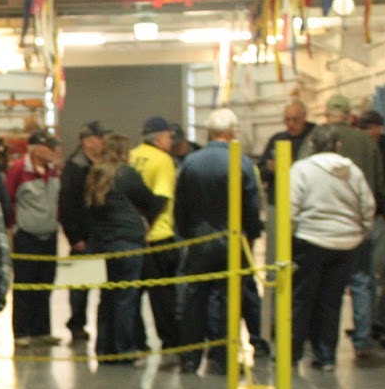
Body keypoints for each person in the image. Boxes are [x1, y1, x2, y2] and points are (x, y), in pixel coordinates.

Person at [171, 109, 263, 375]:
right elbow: (251, 205)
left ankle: (190, 358)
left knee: (194, 298)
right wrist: (252, 233)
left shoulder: (191, 162)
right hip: (232, 240)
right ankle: (222, 356)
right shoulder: (242, 163)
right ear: (233, 132)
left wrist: (187, 233)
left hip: (200, 240)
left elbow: (181, 204)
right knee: (227, 298)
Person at [288, 125, 375, 371]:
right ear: (338, 145)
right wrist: (361, 231)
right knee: (331, 302)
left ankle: (292, 354)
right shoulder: (353, 171)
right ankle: (326, 356)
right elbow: (368, 205)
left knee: (302, 299)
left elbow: (291, 206)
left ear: (313, 145)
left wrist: (291, 235)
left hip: (311, 240)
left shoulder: (302, 170)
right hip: (346, 244)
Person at [80, 134, 165, 364]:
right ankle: (124, 349)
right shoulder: (126, 173)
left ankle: (104, 349)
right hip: (127, 242)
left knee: (105, 297)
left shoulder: (94, 173)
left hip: (100, 243)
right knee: (125, 298)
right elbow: (150, 201)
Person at [320, 95, 385, 358]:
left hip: (323, 227)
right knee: (361, 282)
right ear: (350, 116)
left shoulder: (319, 137)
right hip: (358, 223)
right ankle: (363, 339)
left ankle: (325, 343)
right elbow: (379, 183)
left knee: (328, 287)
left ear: (328, 115)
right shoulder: (366, 142)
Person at [5, 131, 62, 347]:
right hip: (27, 237)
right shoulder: (19, 169)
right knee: (25, 285)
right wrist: (14, 227)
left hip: (49, 236)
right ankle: (22, 332)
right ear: (35, 148)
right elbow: (8, 198)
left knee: (45, 283)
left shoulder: (53, 171)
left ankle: (42, 330)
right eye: (47, 147)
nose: (52, 151)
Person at [129, 117, 180, 353]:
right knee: (163, 296)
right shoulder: (163, 160)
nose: (171, 141)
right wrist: (147, 223)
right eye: (169, 136)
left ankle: (138, 341)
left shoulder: (131, 156)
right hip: (158, 236)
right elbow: (161, 198)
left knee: (133, 294)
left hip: (133, 238)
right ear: (159, 138)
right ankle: (170, 341)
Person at [59, 121, 107, 344]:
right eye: (99, 138)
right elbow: (66, 204)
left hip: (101, 233)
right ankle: (77, 325)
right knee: (79, 287)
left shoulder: (101, 165)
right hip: (83, 237)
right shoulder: (75, 167)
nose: (103, 141)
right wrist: (74, 237)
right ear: (87, 141)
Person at [358, 110, 385, 344]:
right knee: (365, 275)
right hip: (364, 219)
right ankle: (366, 324)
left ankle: (380, 323)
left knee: (384, 272)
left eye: (373, 128)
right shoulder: (362, 148)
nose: (372, 133)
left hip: (383, 219)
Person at [261, 100, 314, 191]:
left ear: (304, 118)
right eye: (287, 120)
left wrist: (293, 166)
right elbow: (260, 170)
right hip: (277, 197)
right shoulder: (276, 140)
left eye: (295, 119)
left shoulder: (314, 138)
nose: (291, 124)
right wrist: (269, 168)